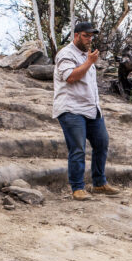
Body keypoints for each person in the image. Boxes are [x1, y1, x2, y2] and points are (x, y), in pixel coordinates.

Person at [52, 21, 119, 200]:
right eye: (86, 35)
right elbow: (70, 77)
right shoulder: (66, 54)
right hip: (71, 109)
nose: (89, 39)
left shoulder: (87, 55)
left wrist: (89, 61)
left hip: (91, 109)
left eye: (91, 36)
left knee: (102, 143)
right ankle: (77, 187)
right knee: (78, 148)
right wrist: (89, 62)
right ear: (76, 35)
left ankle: (99, 183)